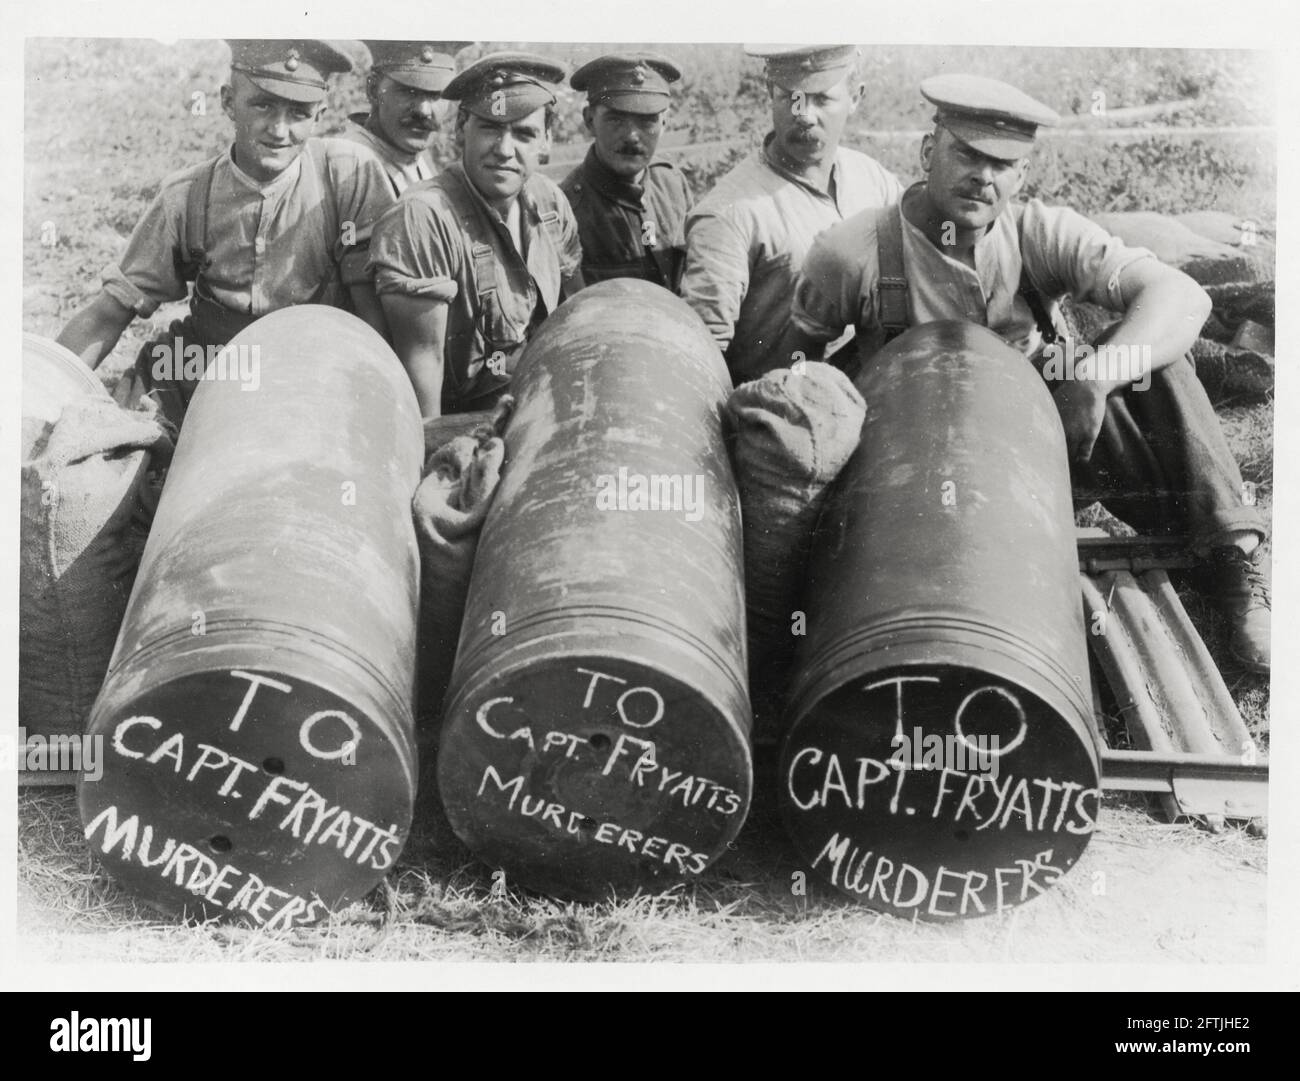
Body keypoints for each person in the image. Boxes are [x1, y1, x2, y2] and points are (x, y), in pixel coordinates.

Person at [792, 74, 1270, 672]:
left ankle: (1234, 564)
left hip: (1044, 437)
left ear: (1022, 176)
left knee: (1160, 361)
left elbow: (1181, 296)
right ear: (926, 151)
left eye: (1004, 164)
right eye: (966, 154)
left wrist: (1094, 377)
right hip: (916, 454)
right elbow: (793, 361)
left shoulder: (1037, 231)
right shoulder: (853, 250)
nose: (983, 177)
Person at [56, 39, 395, 428]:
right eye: (263, 105)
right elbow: (109, 312)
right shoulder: (186, 197)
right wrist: (43, 393)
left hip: (312, 367)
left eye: (298, 113)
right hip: (208, 363)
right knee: (126, 452)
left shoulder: (347, 175)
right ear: (229, 102)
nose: (279, 130)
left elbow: (374, 315)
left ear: (319, 116)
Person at [369, 52, 583, 422]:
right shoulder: (424, 217)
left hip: (536, 402)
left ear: (546, 141)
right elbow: (423, 367)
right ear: (461, 128)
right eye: (489, 128)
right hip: (463, 420)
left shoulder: (549, 204)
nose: (503, 150)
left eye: (523, 133)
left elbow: (576, 317)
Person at [678, 44, 904, 384]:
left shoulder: (873, 180)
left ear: (855, 98)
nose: (805, 115)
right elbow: (700, 355)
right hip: (774, 412)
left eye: (823, 99)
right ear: (770, 92)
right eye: (791, 98)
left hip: (866, 390)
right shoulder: (730, 214)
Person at [559, 53, 693, 290]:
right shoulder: (567, 209)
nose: (632, 136)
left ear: (664, 123)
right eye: (616, 119)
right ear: (589, 120)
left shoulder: (672, 184)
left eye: (647, 121)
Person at [342, 41, 470, 196]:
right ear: (373, 90)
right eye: (408, 92)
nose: (423, 111)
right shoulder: (345, 165)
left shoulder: (420, 158)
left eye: (437, 95)